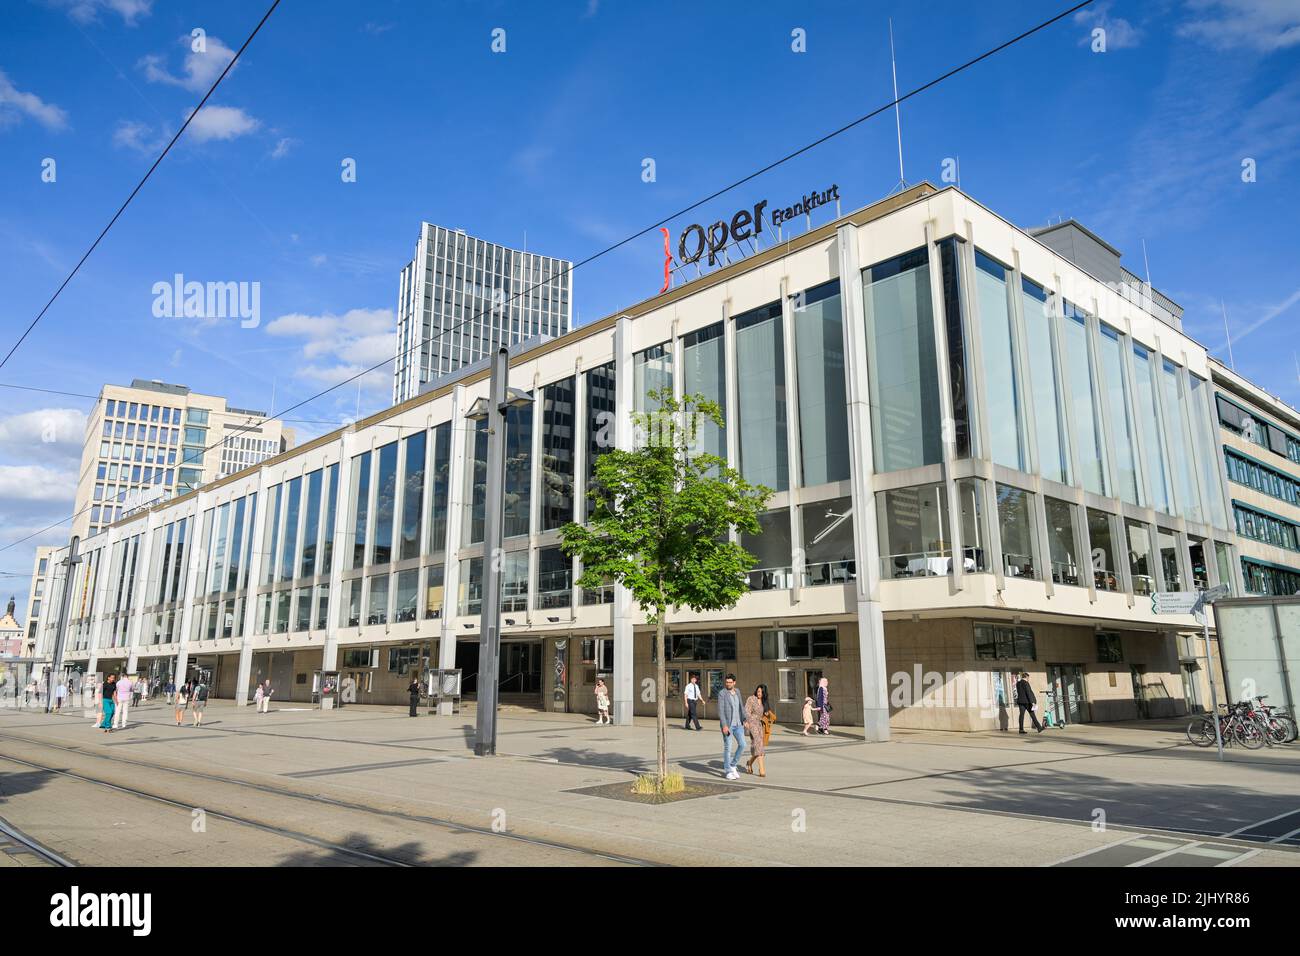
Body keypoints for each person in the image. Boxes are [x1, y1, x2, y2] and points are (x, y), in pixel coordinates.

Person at [717, 674, 747, 780]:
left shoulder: (737, 691)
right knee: (728, 748)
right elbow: (721, 711)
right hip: (728, 726)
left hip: (738, 724)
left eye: (730, 682)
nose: (728, 684)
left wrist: (745, 719)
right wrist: (724, 725)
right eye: (727, 682)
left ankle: (733, 765)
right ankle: (728, 771)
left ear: (734, 682)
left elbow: (741, 707)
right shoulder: (722, 694)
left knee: (743, 745)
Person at [743, 683, 769, 777]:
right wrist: (747, 722)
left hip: (759, 724)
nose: (759, 693)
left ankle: (749, 763)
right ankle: (762, 770)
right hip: (751, 723)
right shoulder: (751, 699)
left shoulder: (764, 702)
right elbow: (746, 711)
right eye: (758, 691)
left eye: (761, 692)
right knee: (759, 745)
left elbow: (765, 713)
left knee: (758, 746)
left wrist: (766, 714)